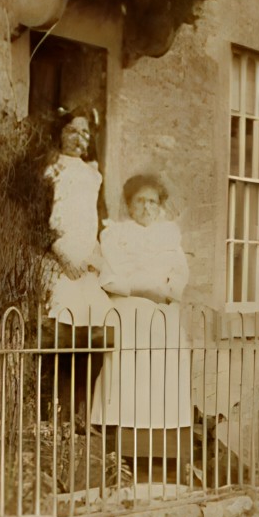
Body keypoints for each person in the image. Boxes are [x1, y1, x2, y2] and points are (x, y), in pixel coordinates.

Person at [91, 174, 191, 431]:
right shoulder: (115, 234)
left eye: (153, 202)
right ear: (129, 204)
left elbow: (180, 273)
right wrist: (145, 290)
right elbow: (111, 277)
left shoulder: (169, 234)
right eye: (141, 201)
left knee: (162, 370)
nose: (147, 208)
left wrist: (167, 293)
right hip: (129, 307)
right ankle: (121, 430)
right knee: (128, 371)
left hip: (163, 311)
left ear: (160, 206)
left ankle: (160, 431)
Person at [46, 115, 111, 326]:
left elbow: (95, 217)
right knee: (62, 320)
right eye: (72, 131)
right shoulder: (50, 168)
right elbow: (40, 217)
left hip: (86, 258)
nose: (78, 138)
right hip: (57, 254)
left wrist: (95, 251)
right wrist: (63, 257)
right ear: (60, 133)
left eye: (84, 133)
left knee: (95, 321)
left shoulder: (93, 175)